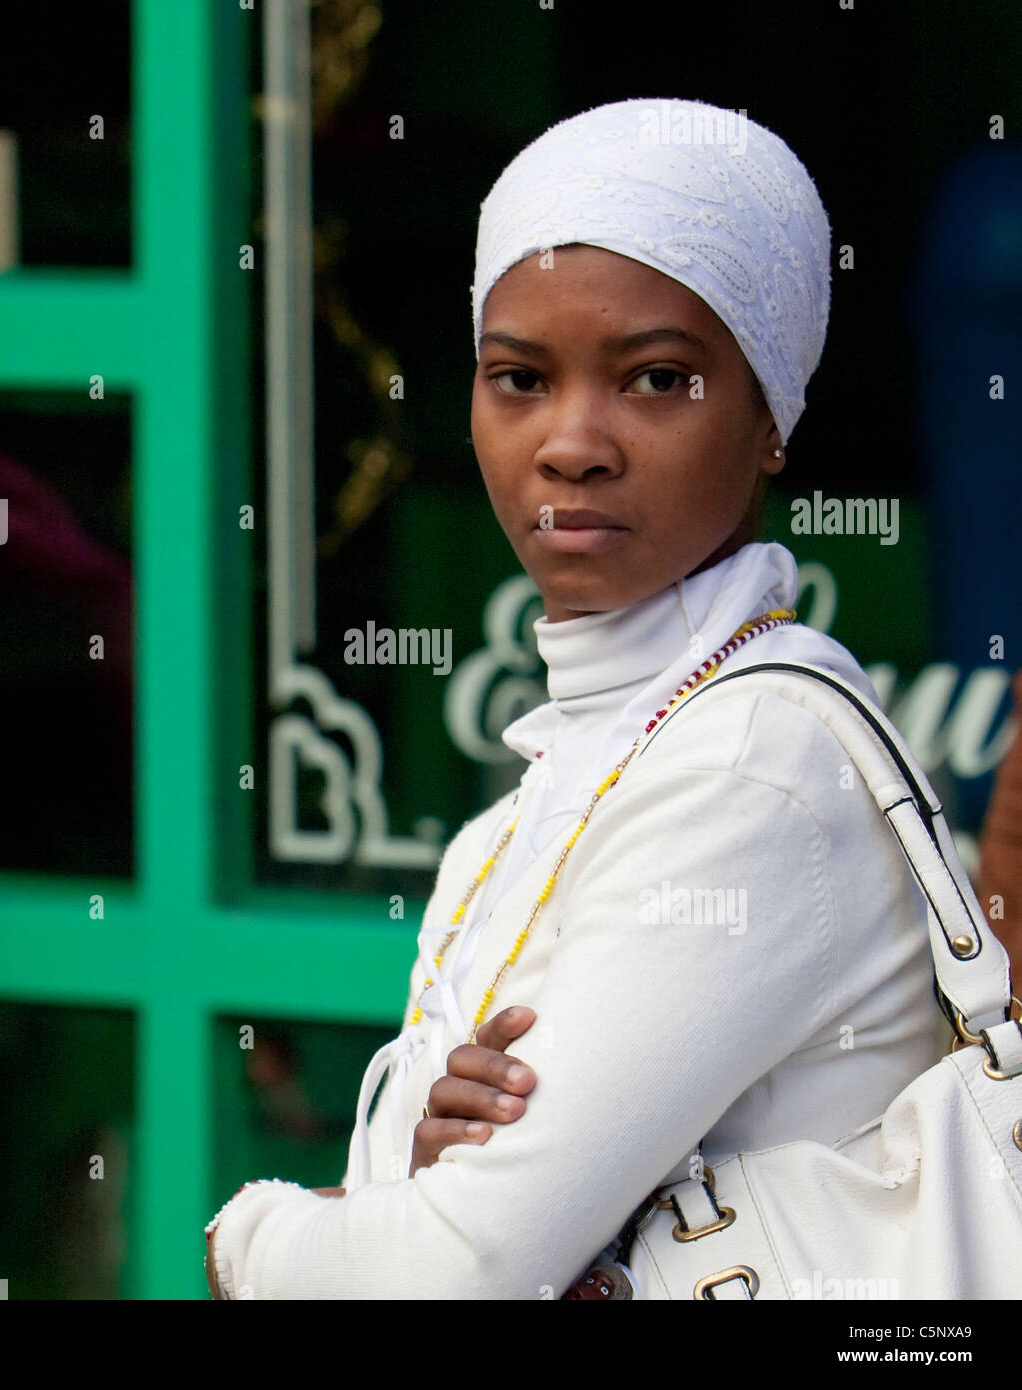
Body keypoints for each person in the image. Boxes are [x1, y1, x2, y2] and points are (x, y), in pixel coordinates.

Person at [205, 97, 949, 1300]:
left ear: (769, 414)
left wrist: (238, 1239)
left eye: (655, 378)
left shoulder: (748, 765)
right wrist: (419, 1181)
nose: (570, 444)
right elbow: (445, 1236)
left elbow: (443, 1276)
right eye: (518, 377)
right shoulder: (536, 803)